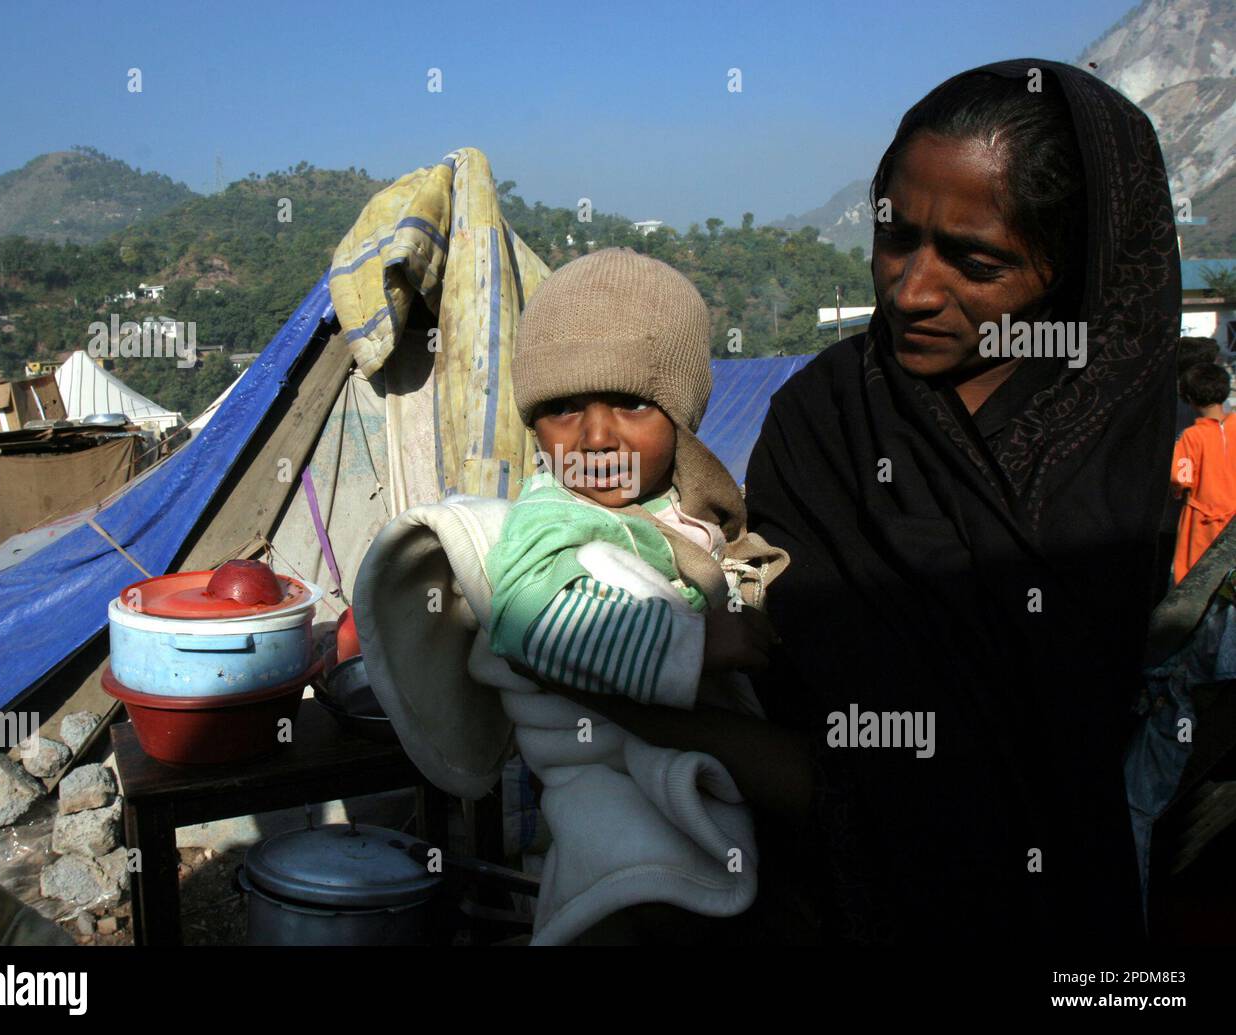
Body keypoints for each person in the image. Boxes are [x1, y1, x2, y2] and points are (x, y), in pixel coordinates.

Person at [744, 59, 1180, 943]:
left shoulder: (1118, 428)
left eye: (975, 260)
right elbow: (830, 718)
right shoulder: (826, 420)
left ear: (1067, 267)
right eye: (894, 236)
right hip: (840, 905)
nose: (911, 290)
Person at [487, 247, 787, 718]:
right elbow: (530, 618)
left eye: (631, 402)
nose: (596, 437)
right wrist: (695, 645)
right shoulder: (556, 513)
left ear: (682, 417)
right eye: (563, 408)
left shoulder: (686, 500)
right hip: (601, 770)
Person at [1170, 362, 1236, 584]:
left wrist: (1178, 491)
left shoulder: (1192, 437)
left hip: (1203, 523)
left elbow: (1181, 477)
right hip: (1233, 522)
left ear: (1189, 399)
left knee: (1198, 582)